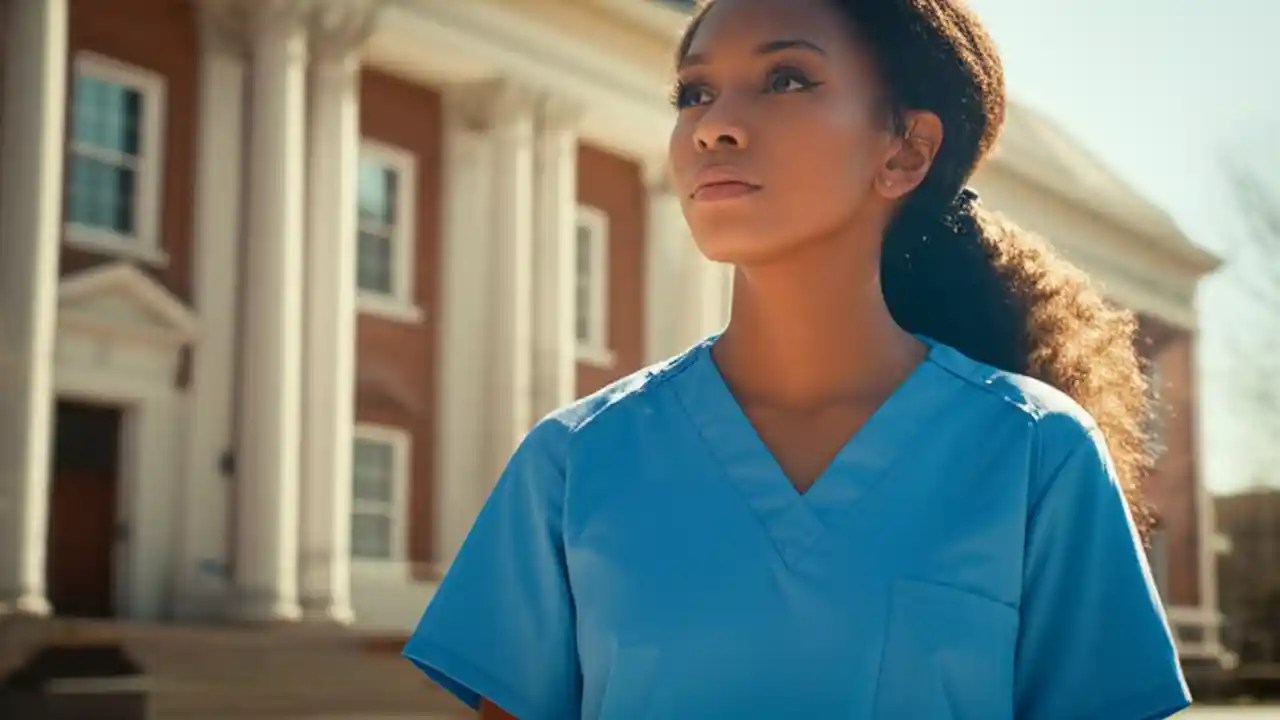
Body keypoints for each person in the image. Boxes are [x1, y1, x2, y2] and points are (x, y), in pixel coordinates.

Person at [403, 0, 1192, 717]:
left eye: (785, 80)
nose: (714, 126)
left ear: (906, 150)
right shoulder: (573, 461)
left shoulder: (1035, 451)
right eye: (694, 93)